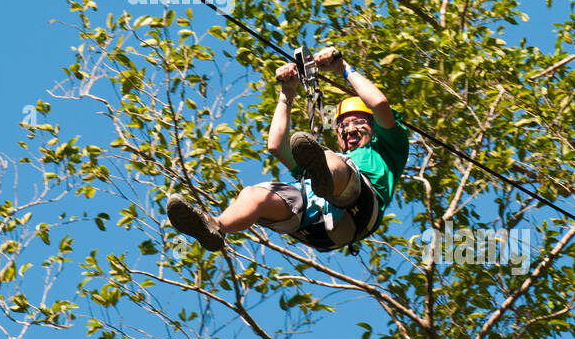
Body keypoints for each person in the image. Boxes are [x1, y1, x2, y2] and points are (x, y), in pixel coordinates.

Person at [167, 47, 409, 253]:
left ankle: (327, 183)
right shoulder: (327, 159)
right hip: (314, 226)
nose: (350, 130)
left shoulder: (388, 148)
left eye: (359, 122)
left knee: (328, 159)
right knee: (255, 193)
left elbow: (379, 104)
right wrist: (287, 93)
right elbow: (276, 146)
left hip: (359, 213)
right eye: (343, 126)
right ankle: (216, 226)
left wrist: (342, 67)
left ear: (375, 127)